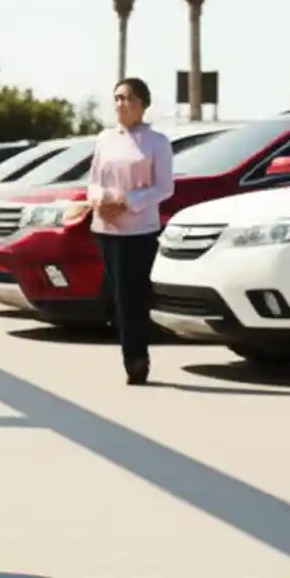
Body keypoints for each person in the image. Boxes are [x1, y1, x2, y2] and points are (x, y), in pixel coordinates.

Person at [86, 78, 174, 385]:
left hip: (137, 230)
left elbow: (165, 187)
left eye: (128, 98)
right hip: (105, 226)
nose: (121, 104)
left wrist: (129, 202)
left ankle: (136, 360)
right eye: (117, 98)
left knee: (130, 298)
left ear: (143, 104)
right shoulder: (105, 139)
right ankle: (130, 350)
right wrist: (99, 200)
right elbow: (94, 179)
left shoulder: (156, 142)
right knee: (114, 296)